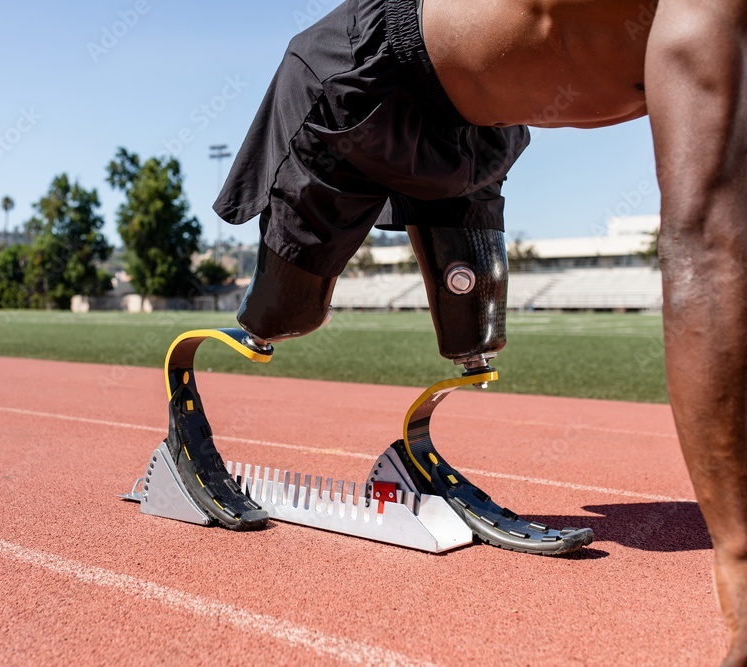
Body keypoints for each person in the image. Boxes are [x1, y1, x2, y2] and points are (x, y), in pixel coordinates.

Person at [198, 0, 747, 661]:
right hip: (368, 78)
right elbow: (706, 242)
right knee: (287, 316)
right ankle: (192, 404)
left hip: (473, 141)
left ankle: (410, 461)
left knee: (474, 338)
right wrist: (739, 560)